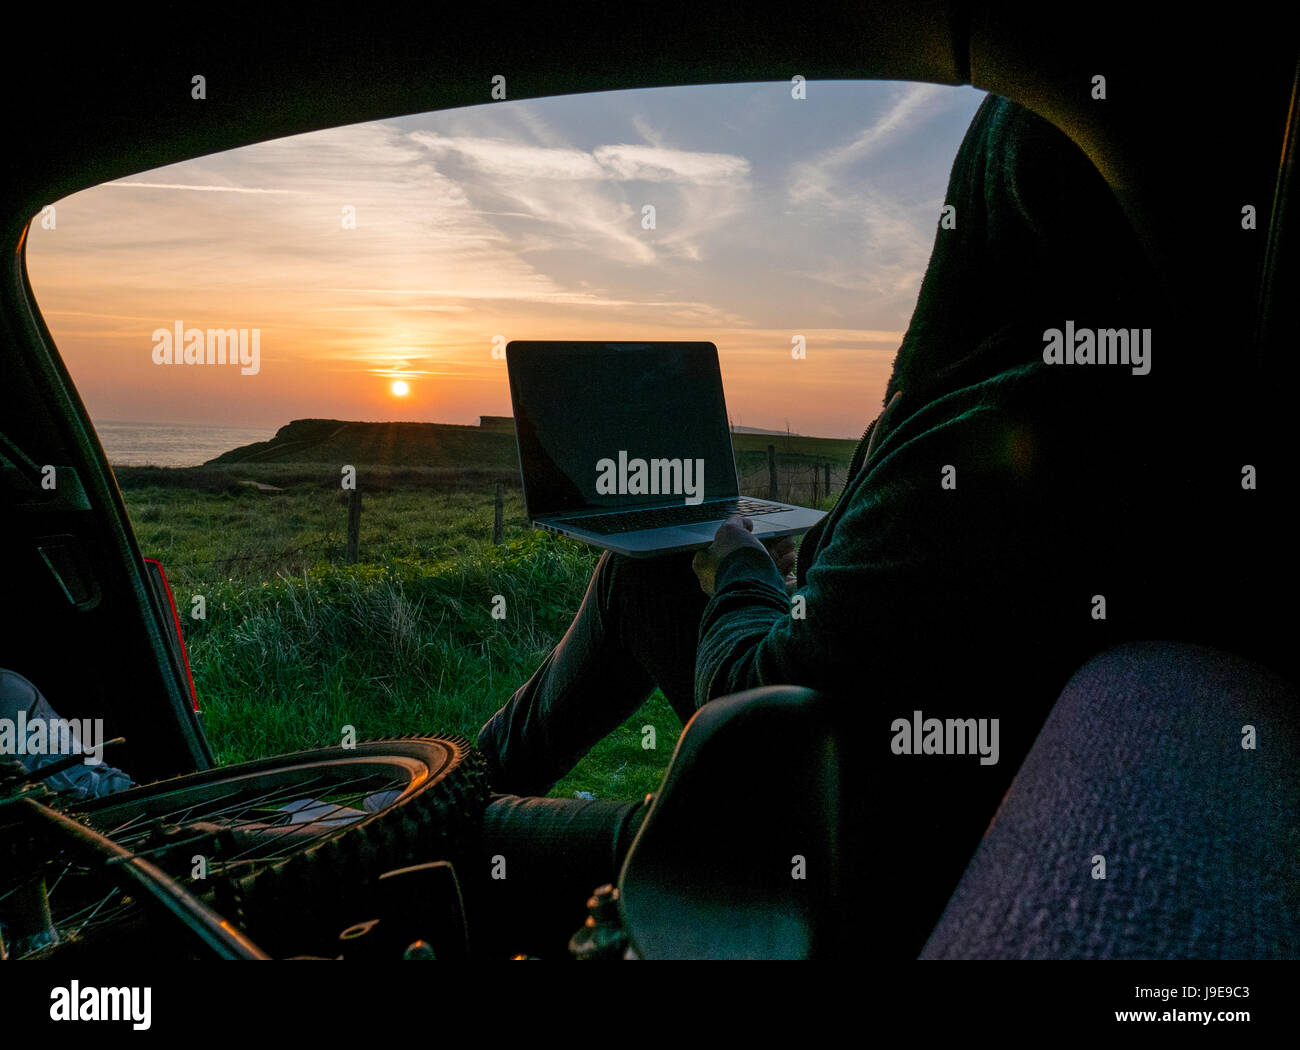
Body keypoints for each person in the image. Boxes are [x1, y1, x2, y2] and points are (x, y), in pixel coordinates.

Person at [474, 92, 1246, 954]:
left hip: (816, 850)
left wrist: (743, 567)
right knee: (640, 571)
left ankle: (446, 806)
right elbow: (900, 620)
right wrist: (815, 568)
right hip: (898, 803)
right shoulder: (1149, 411)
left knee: (475, 836)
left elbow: (758, 697)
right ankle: (470, 776)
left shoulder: (1003, 430)